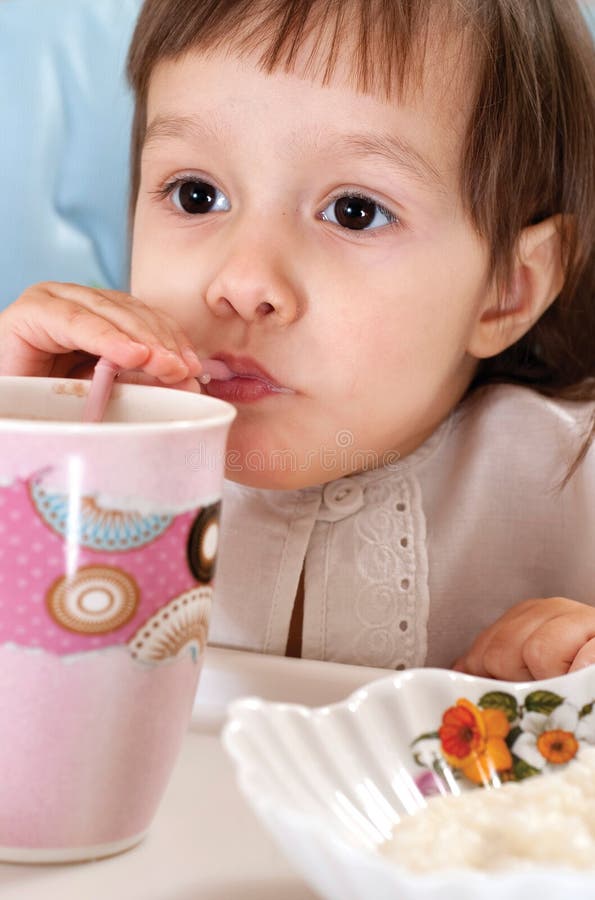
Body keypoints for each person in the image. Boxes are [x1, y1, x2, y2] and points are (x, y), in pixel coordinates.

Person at [0, 0, 593, 680]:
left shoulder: (569, 477)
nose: (243, 282)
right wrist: (21, 442)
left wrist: (571, 674)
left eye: (354, 212)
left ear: (508, 289)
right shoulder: (87, 443)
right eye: (195, 195)